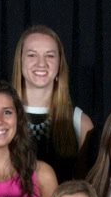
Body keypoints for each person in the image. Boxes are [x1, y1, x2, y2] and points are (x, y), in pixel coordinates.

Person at [12, 25, 94, 175]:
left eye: (50, 55)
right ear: (20, 61)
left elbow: (88, 185)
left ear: (60, 64)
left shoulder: (79, 121)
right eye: (32, 55)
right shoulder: (2, 117)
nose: (41, 63)